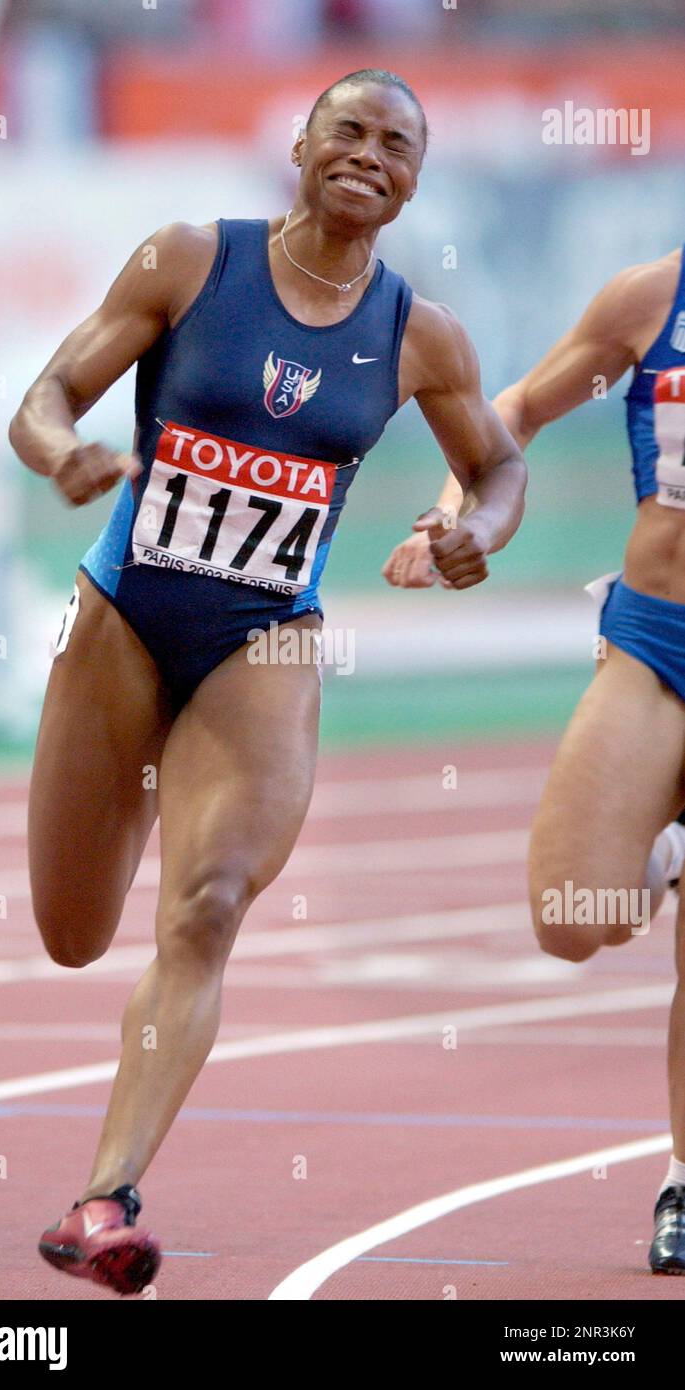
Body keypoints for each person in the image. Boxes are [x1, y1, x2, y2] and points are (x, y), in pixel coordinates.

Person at [9, 69, 526, 1295]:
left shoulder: (420, 334)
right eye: (346, 128)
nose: (367, 153)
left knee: (208, 905)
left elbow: (496, 471)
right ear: (299, 144)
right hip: (125, 611)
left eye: (396, 144)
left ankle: (105, 1197)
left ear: (412, 182)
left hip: (268, 637)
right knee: (73, 933)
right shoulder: (190, 259)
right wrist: (64, 454)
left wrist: (474, 534)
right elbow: (46, 394)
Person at [384, 245, 685, 1274]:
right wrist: (451, 513)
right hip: (656, 637)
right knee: (570, 921)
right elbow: (512, 408)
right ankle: (667, 856)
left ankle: (681, 1177)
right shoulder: (654, 297)